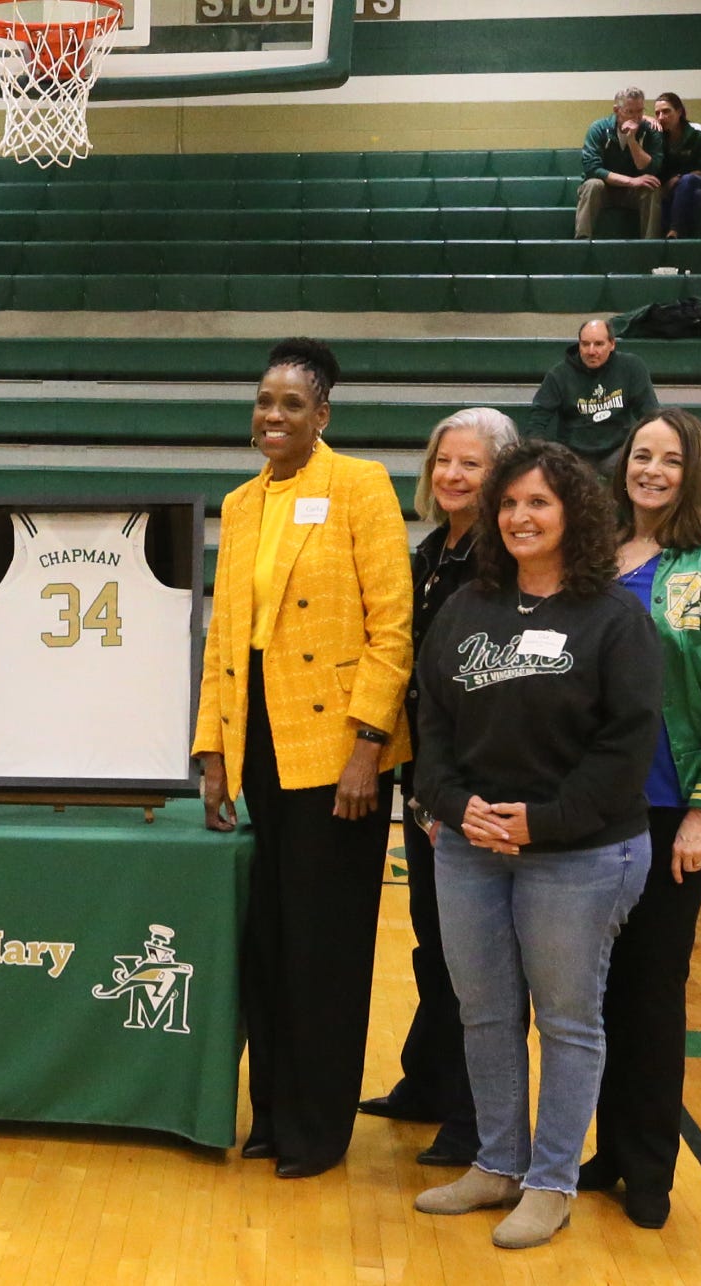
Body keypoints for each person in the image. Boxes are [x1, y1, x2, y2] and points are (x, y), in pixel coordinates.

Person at [413, 439, 661, 1250]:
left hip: (580, 854)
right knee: (484, 1014)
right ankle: (498, 1164)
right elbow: (432, 723)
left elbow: (626, 749)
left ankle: (552, 1183)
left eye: (539, 503)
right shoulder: (468, 607)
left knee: (566, 1021)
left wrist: (542, 822)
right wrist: (457, 805)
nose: (521, 517)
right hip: (471, 846)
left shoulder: (614, 617)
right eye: (510, 504)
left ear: (573, 514)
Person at [191, 338, 413, 1179]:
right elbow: (224, 637)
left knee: (324, 947)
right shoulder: (242, 502)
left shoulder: (360, 485)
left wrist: (368, 746)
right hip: (261, 745)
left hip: (337, 754)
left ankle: (318, 1130)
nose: (273, 415)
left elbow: (393, 627)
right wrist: (214, 753)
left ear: (322, 415)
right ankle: (273, 1115)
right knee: (270, 943)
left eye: (292, 403)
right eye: (264, 401)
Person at [580, 409, 701, 1228]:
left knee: (652, 990)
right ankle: (608, 1150)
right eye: (641, 455)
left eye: (670, 459)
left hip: (671, 812)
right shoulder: (593, 557)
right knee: (594, 991)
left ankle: (650, 1167)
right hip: (593, 809)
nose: (651, 470)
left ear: (695, 474)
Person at [360, 408, 519, 1168]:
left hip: (470, 784)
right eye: (443, 461)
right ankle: (425, 1082)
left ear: (502, 475)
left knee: (475, 958)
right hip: (423, 773)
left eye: (471, 464)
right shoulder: (430, 550)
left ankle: (472, 1120)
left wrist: (449, 788)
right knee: (434, 939)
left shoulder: (501, 561)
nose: (451, 475)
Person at [524, 319, 660, 476]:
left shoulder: (631, 367)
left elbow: (650, 415)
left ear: (612, 344)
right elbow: (538, 420)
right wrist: (538, 454)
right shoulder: (559, 374)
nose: (591, 351)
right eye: (585, 344)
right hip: (573, 456)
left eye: (599, 344)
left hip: (618, 452)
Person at [576, 86, 663, 240]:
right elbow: (592, 169)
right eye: (630, 112)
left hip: (633, 193)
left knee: (652, 187)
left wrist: (631, 140)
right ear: (617, 110)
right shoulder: (598, 129)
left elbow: (651, 168)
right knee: (592, 185)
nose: (636, 117)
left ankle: (650, 244)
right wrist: (631, 181)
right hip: (605, 189)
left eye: (640, 111)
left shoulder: (650, 130)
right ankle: (582, 241)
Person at [654, 94, 701, 240]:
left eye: (666, 111)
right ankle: (681, 237)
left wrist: (678, 178)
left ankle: (674, 229)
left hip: (697, 182)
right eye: (657, 113)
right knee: (696, 197)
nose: (661, 117)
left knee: (688, 181)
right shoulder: (656, 135)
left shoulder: (699, 132)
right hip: (671, 190)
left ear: (679, 112)